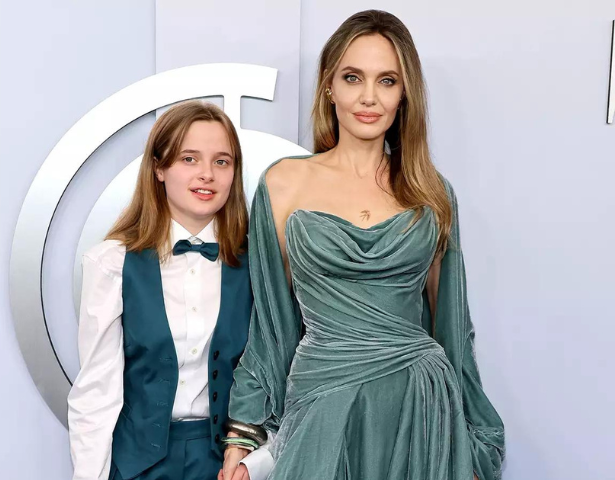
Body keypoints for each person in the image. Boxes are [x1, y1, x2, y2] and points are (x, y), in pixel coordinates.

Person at [221, 10, 505, 480]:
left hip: (420, 406)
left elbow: (453, 327)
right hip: (324, 398)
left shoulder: (432, 192)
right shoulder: (284, 184)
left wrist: (470, 440)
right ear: (329, 87)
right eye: (353, 78)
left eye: (387, 80)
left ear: (404, 93)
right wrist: (243, 435)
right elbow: (271, 329)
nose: (369, 97)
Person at [68, 100, 255, 480]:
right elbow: (96, 393)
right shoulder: (111, 263)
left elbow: (273, 378)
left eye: (222, 161)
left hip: (227, 466)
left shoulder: (258, 266)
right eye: (189, 159)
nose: (207, 174)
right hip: (136, 463)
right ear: (158, 168)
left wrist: (257, 460)